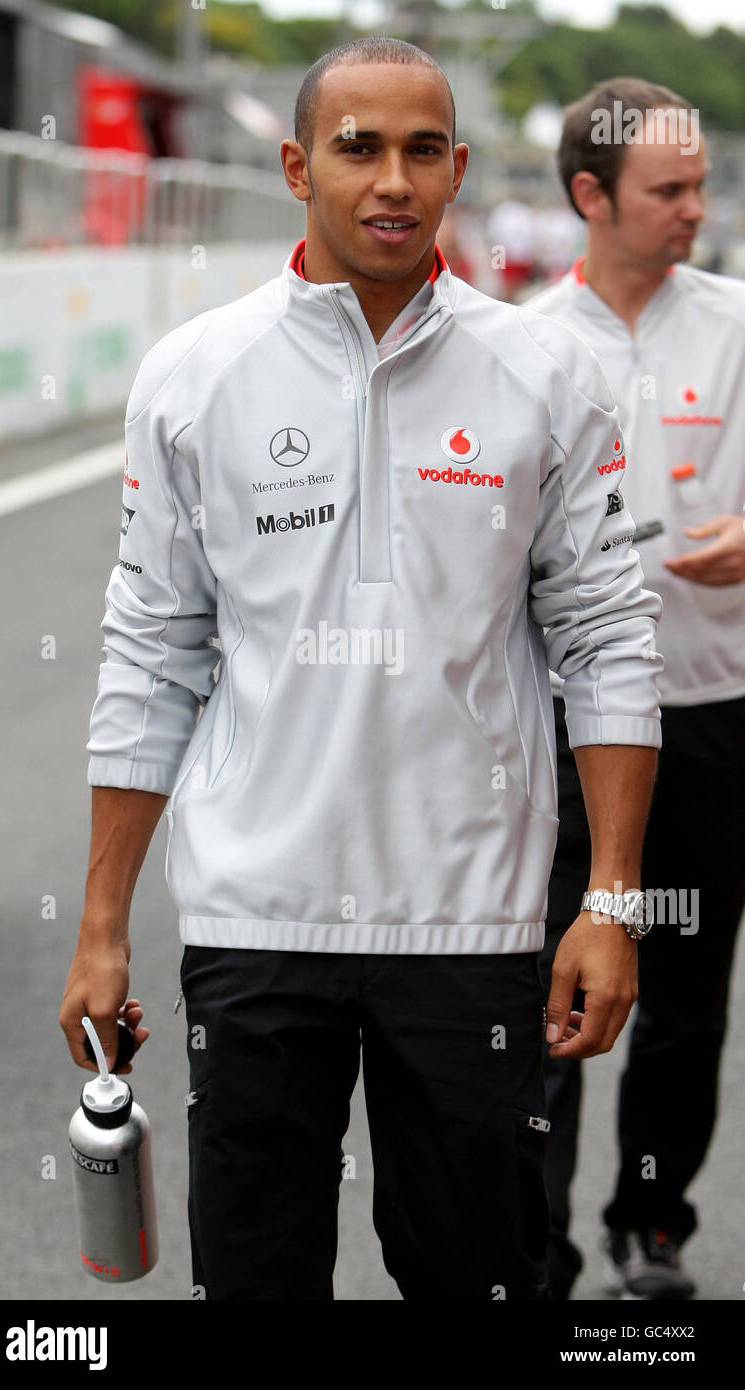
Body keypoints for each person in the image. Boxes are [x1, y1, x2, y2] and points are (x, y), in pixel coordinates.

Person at [60, 39, 664, 1302]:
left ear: (455, 172)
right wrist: (104, 925)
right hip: (254, 920)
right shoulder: (194, 376)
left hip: (473, 921)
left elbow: (607, 636)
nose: (392, 180)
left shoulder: (549, 374)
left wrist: (609, 900)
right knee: (260, 1279)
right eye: (358, 148)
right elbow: (151, 653)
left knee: (476, 1276)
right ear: (297, 166)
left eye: (423, 150)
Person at [528, 78, 745, 1301]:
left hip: (715, 711)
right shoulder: (522, 342)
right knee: (544, 994)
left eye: (701, 186)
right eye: (669, 191)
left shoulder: (739, 319)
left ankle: (650, 1228)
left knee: (684, 1001)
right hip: (561, 727)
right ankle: (538, 1253)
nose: (694, 211)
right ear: (590, 197)